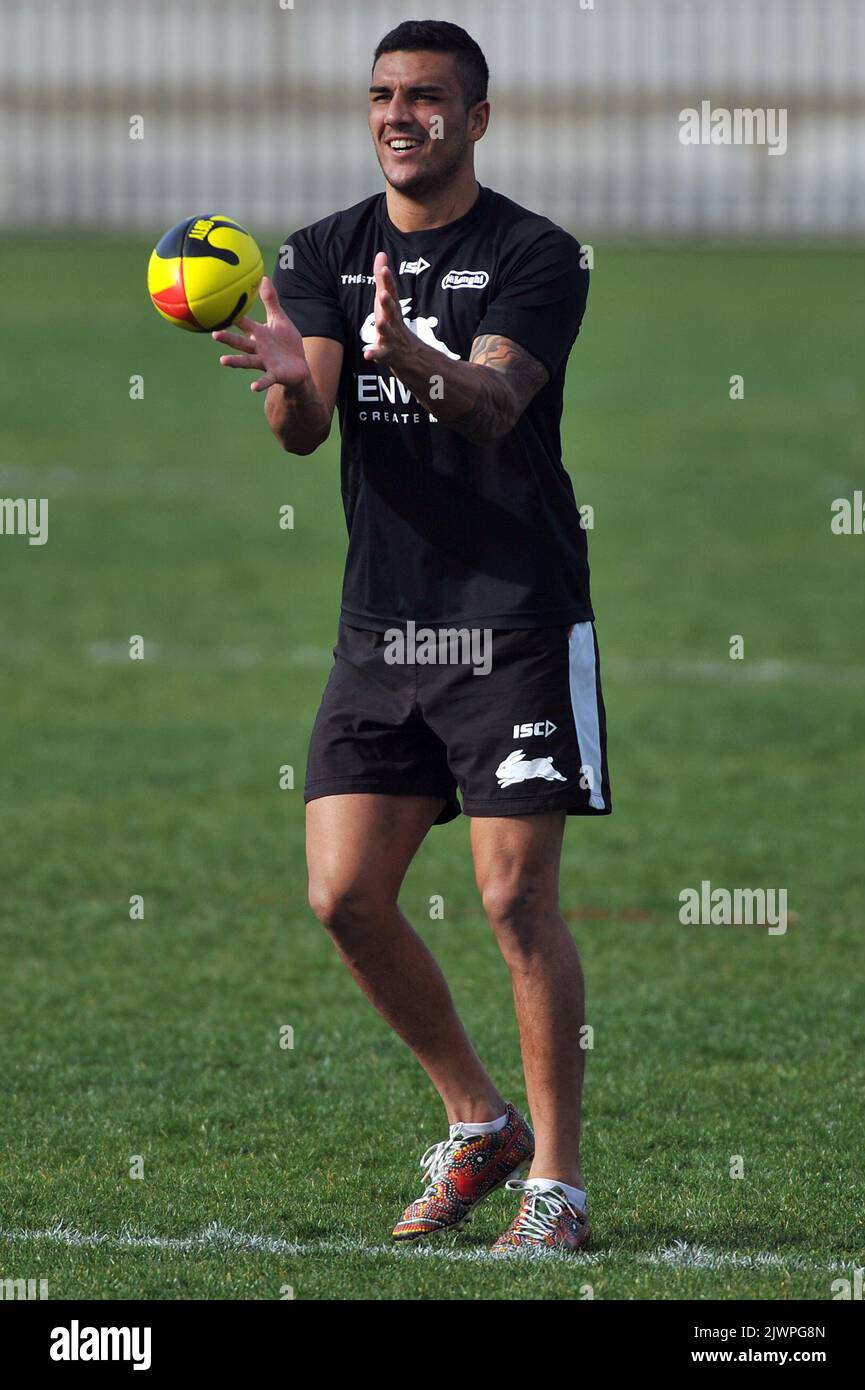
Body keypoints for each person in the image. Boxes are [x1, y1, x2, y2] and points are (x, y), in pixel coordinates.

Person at [213, 18, 610, 1255]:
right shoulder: (327, 248)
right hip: (384, 625)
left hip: (514, 618)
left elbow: (493, 402)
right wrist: (290, 372)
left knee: (514, 902)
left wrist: (413, 354)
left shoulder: (538, 255)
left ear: (475, 120)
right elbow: (305, 428)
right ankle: (476, 1121)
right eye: (383, 94)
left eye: (428, 98)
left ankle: (557, 1185)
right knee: (342, 894)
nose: (400, 114)